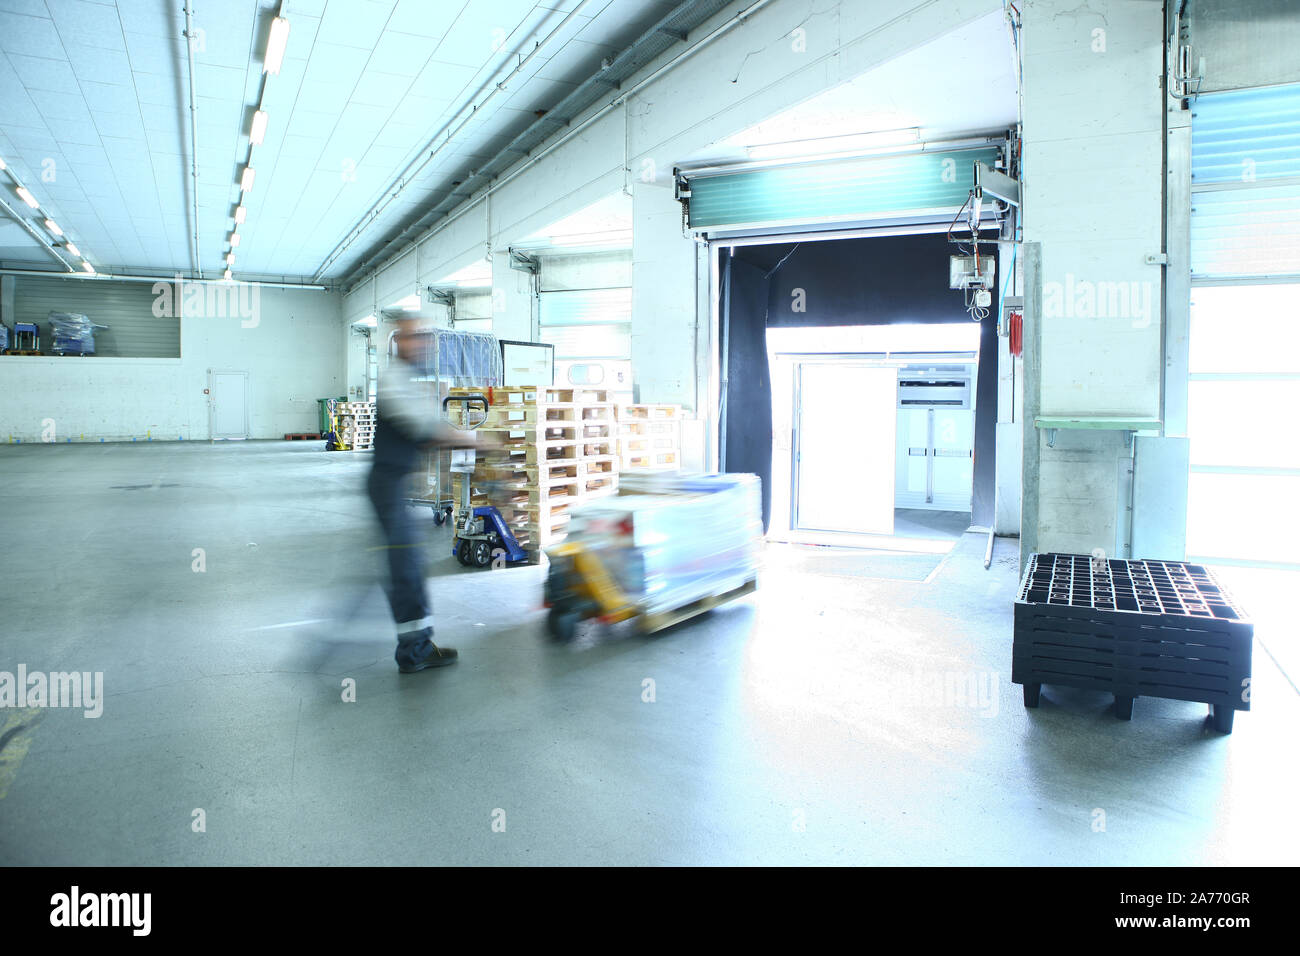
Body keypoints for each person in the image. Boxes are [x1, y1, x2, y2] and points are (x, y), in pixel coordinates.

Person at [367, 319, 479, 673]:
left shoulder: (406, 381)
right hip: (386, 486)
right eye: (417, 338)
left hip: (394, 486)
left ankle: (418, 646)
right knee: (405, 570)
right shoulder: (394, 380)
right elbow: (427, 429)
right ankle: (413, 653)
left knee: (410, 567)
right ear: (400, 341)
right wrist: (477, 441)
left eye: (427, 339)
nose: (425, 346)